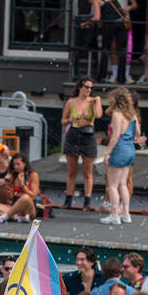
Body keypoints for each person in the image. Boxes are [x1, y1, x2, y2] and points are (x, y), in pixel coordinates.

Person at [61, 80, 102, 210]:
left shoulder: (93, 101)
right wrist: (69, 120)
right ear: (80, 87)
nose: (89, 90)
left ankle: (87, 201)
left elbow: (98, 115)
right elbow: (63, 120)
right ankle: (68, 199)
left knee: (87, 171)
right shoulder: (71, 102)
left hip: (88, 135)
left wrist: (97, 102)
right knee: (71, 170)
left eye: (91, 88)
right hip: (73, 133)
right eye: (86, 87)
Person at [101, 88, 139, 226]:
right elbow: (137, 133)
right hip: (130, 148)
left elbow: (115, 135)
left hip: (120, 148)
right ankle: (126, 213)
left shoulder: (117, 114)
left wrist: (107, 153)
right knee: (123, 183)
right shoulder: (132, 114)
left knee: (112, 185)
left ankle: (115, 214)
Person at [91, 0, 135, 82]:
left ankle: (120, 75)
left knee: (122, 48)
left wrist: (129, 7)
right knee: (114, 48)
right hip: (112, 22)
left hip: (121, 21)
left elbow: (134, 4)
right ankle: (115, 74)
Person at [0, 152, 39, 223]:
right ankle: (18, 218)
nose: (15, 167)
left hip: (29, 209)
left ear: (25, 164)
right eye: (14, 165)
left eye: (18, 164)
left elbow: (33, 196)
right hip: (15, 208)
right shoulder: (14, 175)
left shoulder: (33, 175)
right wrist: (9, 191)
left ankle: (2, 218)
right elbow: (11, 197)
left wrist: (22, 184)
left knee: (25, 197)